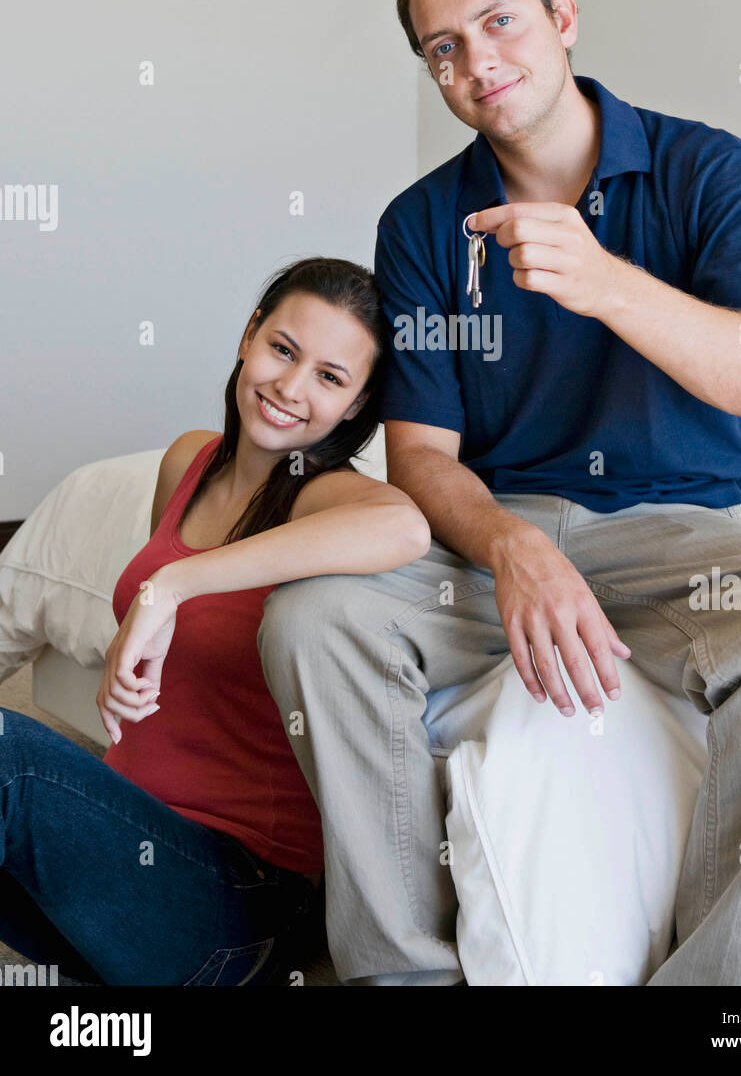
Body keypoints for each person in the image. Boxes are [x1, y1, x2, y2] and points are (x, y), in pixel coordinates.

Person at [259, 0, 741, 987]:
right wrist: (511, 548)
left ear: (563, 17)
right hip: (488, 543)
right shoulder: (422, 223)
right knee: (312, 618)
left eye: (500, 22)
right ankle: (403, 975)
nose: (477, 62)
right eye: (443, 48)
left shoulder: (707, 171)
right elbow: (421, 454)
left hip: (679, 531)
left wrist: (603, 282)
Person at [0, 256, 430, 986]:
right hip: (132, 846)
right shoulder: (188, 462)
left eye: (330, 378)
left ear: (356, 404)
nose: (290, 388)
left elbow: (405, 527)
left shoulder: (320, 495)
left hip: (241, 899)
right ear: (248, 335)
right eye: (283, 349)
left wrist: (171, 585)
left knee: (9, 758)